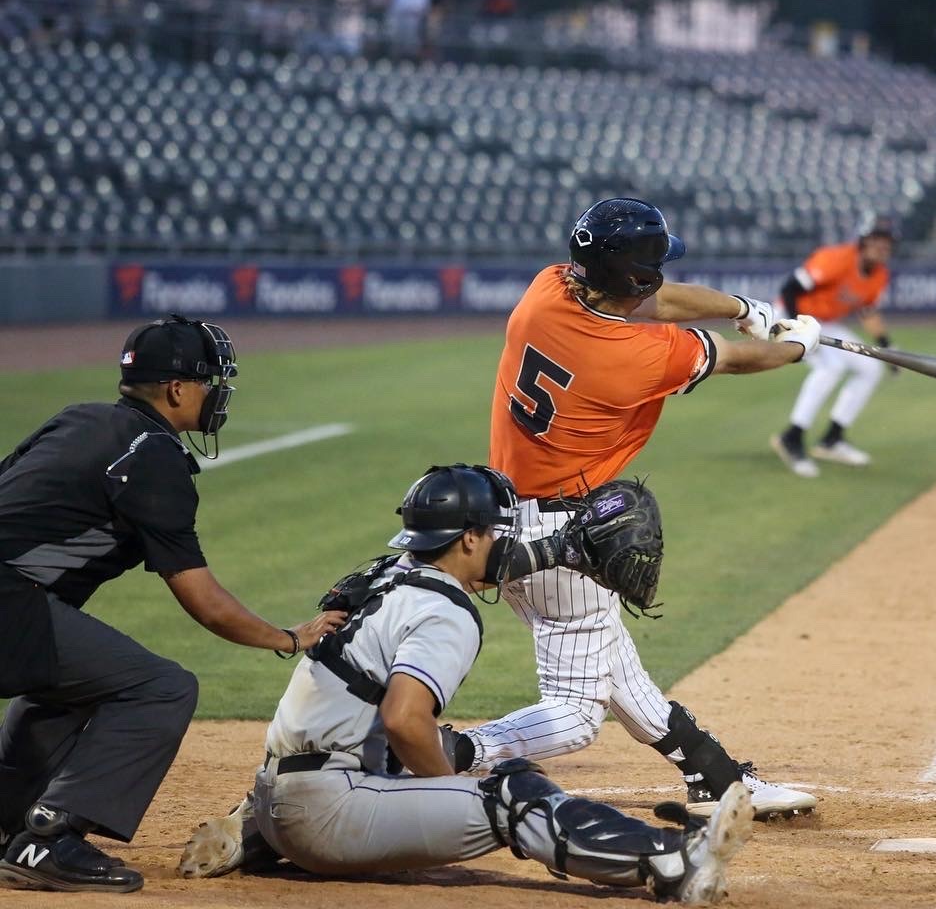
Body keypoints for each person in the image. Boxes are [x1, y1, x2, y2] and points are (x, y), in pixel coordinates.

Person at [178, 464, 753, 905]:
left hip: (275, 796)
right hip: (329, 819)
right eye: (500, 533)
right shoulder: (445, 610)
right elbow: (405, 719)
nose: (508, 545)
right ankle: (675, 863)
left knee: (413, 739)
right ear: (471, 539)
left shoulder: (383, 576)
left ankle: (249, 832)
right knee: (513, 790)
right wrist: (447, 789)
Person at [468, 196, 822, 819]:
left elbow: (655, 300)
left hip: (514, 520)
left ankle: (715, 780)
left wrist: (746, 308)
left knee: (621, 676)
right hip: (568, 540)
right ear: (633, 275)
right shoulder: (634, 359)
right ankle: (439, 750)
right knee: (576, 717)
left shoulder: (548, 290)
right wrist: (799, 345)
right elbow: (733, 358)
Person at [0, 315, 345, 894]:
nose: (220, 395)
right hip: (10, 601)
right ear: (179, 389)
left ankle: (10, 820)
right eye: (214, 382)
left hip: (19, 601)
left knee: (69, 683)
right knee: (162, 687)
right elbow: (203, 600)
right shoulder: (153, 455)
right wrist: (289, 637)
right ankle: (49, 836)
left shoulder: (79, 418)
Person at [770, 214, 898, 477]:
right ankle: (792, 437)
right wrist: (795, 326)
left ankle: (832, 439)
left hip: (823, 322)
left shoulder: (879, 275)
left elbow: (868, 311)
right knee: (831, 368)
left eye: (887, 242)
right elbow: (790, 288)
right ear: (863, 240)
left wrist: (887, 346)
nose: (882, 246)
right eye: (877, 239)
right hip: (790, 313)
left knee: (871, 368)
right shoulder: (837, 258)